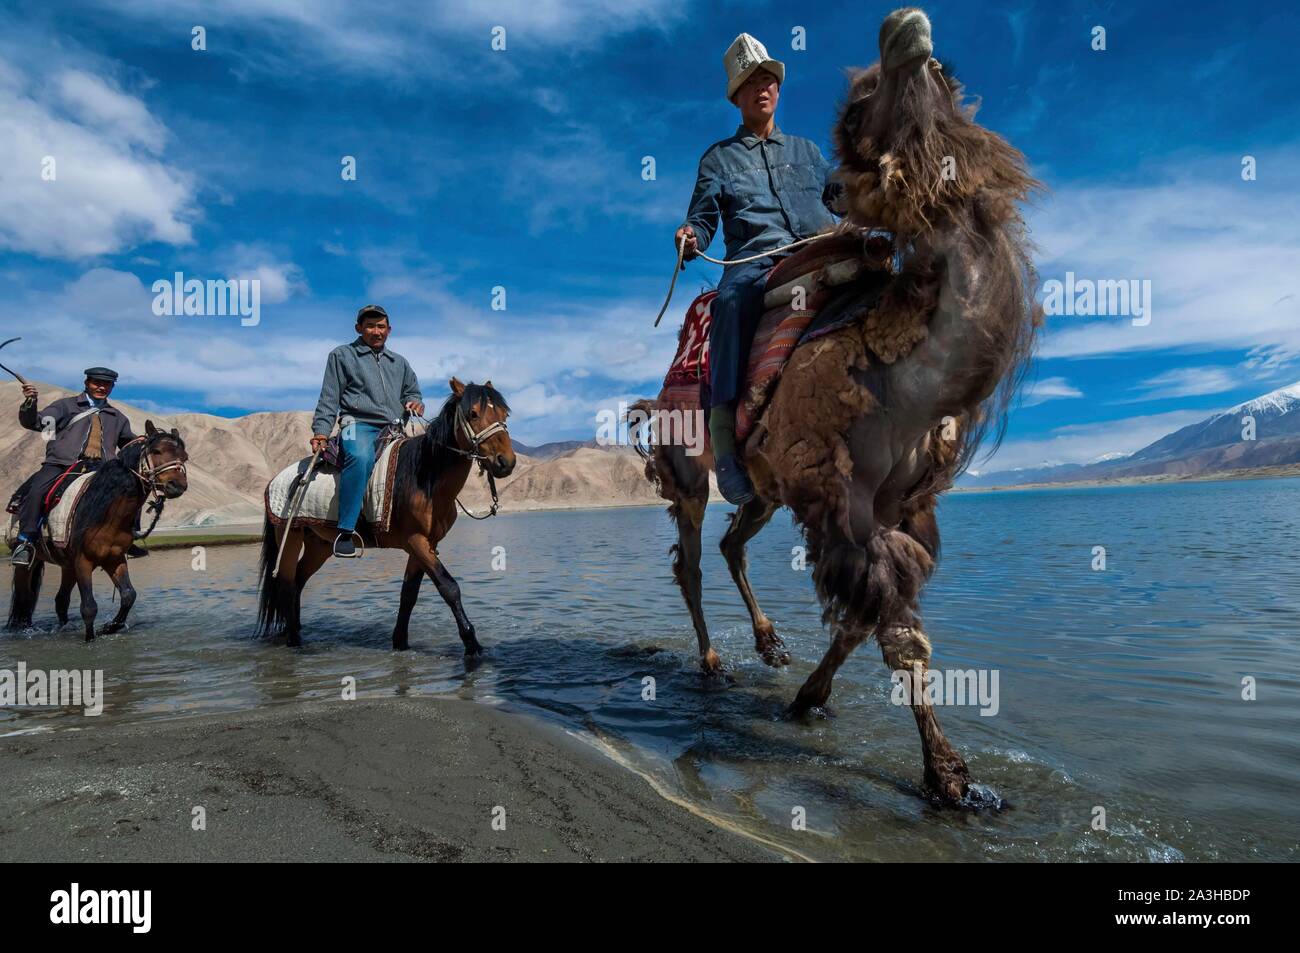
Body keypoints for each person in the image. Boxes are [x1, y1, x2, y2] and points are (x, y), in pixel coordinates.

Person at [676, 33, 841, 504]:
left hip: (820, 247)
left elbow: (840, 197)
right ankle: (725, 441)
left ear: (779, 88)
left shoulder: (809, 153)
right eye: (751, 82)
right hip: (755, 262)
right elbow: (704, 220)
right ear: (737, 97)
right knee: (729, 302)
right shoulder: (718, 159)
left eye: (768, 78)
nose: (761, 87)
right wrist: (690, 237)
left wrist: (870, 189)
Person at [311, 304, 424, 557]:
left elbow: (412, 391)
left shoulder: (400, 363)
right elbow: (329, 398)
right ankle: (346, 531)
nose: (376, 331)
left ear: (389, 330)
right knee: (361, 458)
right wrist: (320, 432)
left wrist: (415, 401)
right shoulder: (341, 356)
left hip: (393, 427)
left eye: (381, 326)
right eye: (370, 326)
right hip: (357, 424)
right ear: (359, 328)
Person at [11, 367, 142, 566]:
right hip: (62, 464)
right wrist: (30, 402)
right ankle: (26, 542)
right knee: (37, 492)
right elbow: (36, 423)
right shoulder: (65, 406)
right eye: (96, 382)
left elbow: (128, 445)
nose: (101, 387)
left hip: (101, 470)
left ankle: (128, 537)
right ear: (86, 383)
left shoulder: (117, 417)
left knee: (132, 490)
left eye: (106, 384)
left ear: (112, 387)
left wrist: (147, 443)